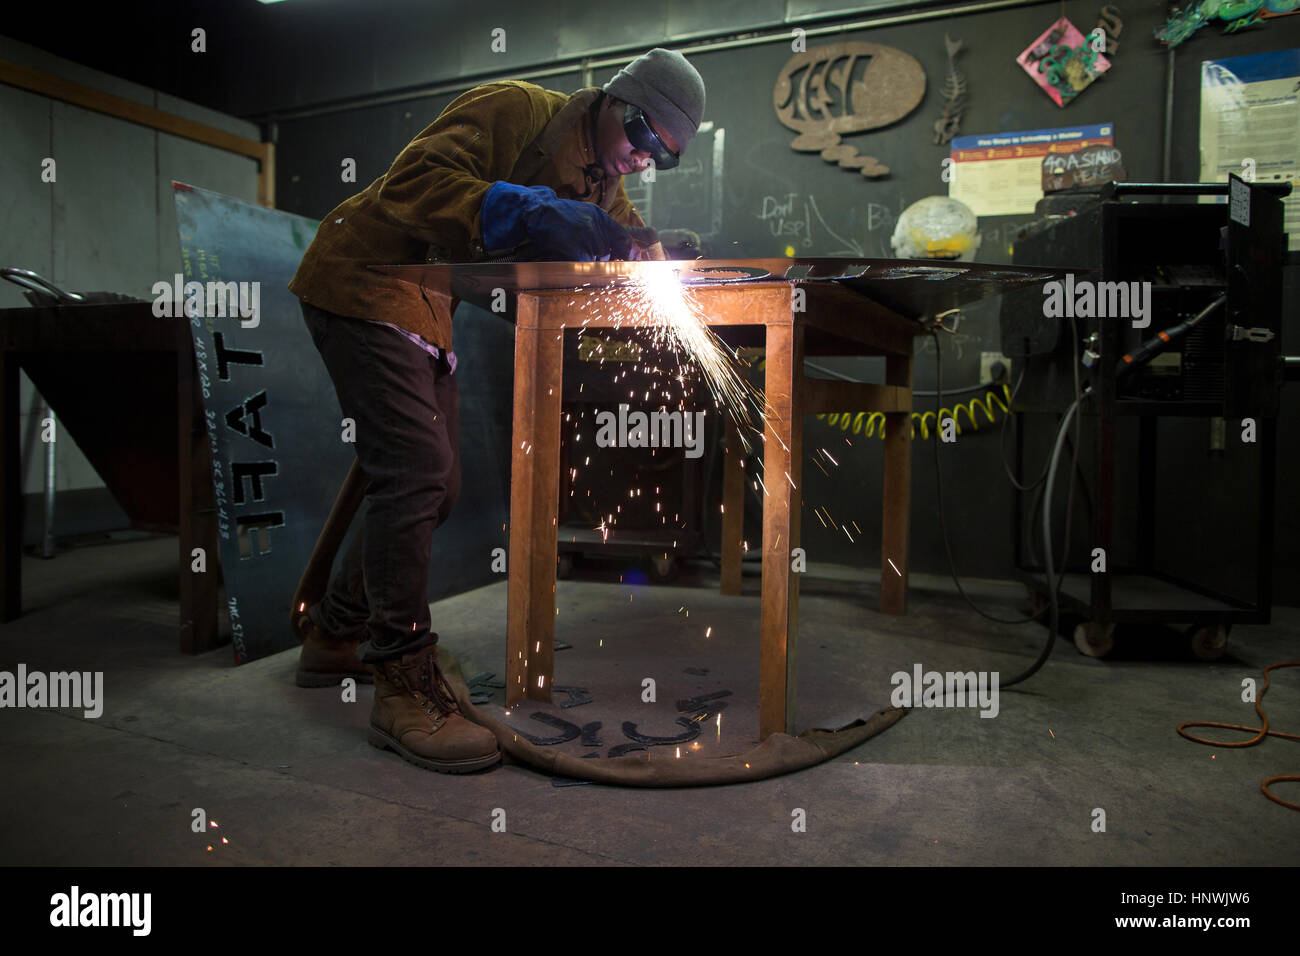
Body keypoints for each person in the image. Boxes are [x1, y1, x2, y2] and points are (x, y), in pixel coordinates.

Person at [287, 49, 705, 774]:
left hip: (423, 306)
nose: (642, 160)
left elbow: (623, 241)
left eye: (662, 159)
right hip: (361, 280)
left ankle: (335, 634)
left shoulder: (603, 181)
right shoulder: (513, 109)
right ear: (617, 101)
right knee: (415, 472)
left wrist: (654, 257)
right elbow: (410, 186)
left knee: (435, 484)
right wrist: (525, 208)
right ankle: (400, 681)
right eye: (642, 140)